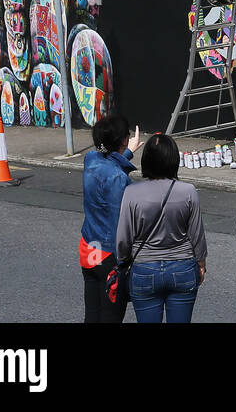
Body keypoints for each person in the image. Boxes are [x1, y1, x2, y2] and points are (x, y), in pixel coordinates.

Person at [116, 133, 207, 323]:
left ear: (146, 160)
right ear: (174, 159)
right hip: (183, 266)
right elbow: (196, 234)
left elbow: (124, 238)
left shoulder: (132, 192)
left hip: (144, 269)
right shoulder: (188, 191)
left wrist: (124, 262)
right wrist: (201, 264)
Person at [80, 115, 144, 323]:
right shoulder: (117, 178)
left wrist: (128, 152)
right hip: (109, 256)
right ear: (124, 139)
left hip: (89, 248)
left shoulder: (90, 159)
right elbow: (121, 226)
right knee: (111, 316)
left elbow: (109, 164)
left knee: (92, 312)